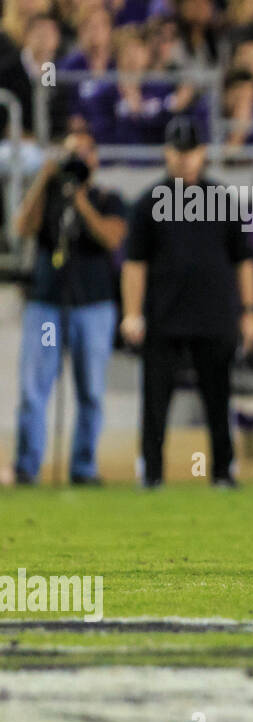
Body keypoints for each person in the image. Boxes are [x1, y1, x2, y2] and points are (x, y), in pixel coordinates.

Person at [120, 116, 253, 488]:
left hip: (214, 316)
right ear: (167, 154)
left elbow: (243, 260)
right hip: (164, 316)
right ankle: (150, 472)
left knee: (218, 397)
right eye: (177, 151)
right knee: (155, 400)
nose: (183, 159)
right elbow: (135, 263)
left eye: (190, 151)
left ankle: (222, 470)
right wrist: (132, 313)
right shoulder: (149, 202)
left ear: (202, 154)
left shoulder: (223, 199)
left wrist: (249, 312)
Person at [12, 130, 126, 485]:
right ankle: (26, 467)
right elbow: (21, 227)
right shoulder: (47, 195)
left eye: (83, 152)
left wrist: (81, 202)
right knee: (36, 385)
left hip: (93, 307)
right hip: (47, 306)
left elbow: (111, 237)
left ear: (95, 157)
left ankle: (83, 467)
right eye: (70, 152)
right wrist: (43, 178)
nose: (77, 159)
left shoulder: (109, 198)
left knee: (91, 390)